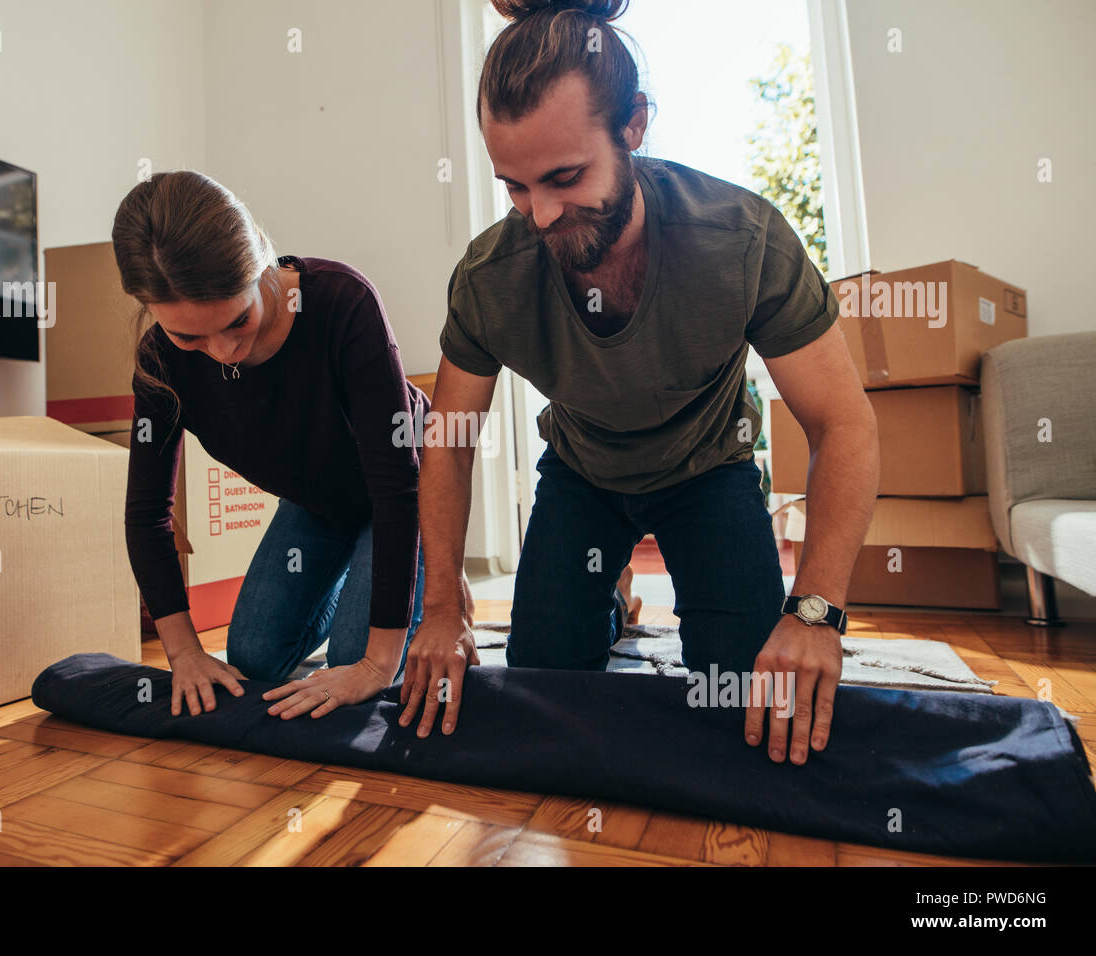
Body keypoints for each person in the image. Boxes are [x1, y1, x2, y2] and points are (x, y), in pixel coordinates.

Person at [401, 0, 880, 766]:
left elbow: (843, 424)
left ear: (634, 125)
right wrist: (442, 604)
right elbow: (451, 439)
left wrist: (816, 613)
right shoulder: (491, 276)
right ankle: (610, 591)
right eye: (515, 188)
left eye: (564, 177)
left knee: (746, 699)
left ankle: (631, 587)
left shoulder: (742, 238)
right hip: (583, 471)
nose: (543, 214)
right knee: (542, 689)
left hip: (709, 469)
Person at [114, 171, 460, 720]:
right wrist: (182, 653)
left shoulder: (344, 303)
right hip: (317, 505)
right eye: (189, 337)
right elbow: (147, 512)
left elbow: (398, 486)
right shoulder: (159, 363)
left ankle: (437, 572)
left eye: (237, 320)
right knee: (253, 655)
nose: (224, 350)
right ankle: (371, 582)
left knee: (357, 657)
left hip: (404, 494)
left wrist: (374, 665)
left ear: (259, 264)